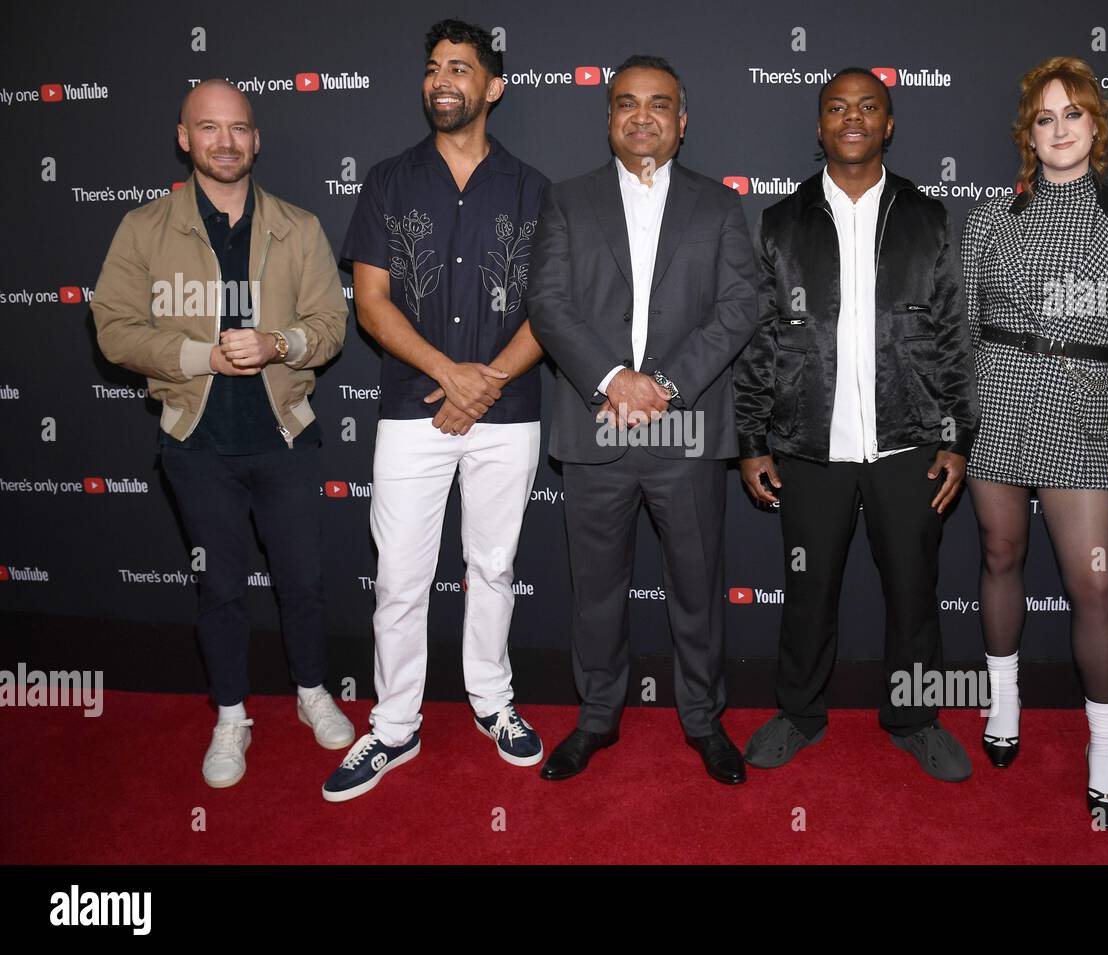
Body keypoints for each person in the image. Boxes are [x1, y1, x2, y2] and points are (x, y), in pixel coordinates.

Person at [92, 78, 354, 789]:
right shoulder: (145, 227)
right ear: (184, 138)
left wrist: (278, 343)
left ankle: (311, 693)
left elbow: (331, 325)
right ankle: (232, 715)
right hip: (196, 446)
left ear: (256, 138)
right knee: (222, 590)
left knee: (303, 583)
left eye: (238, 128)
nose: (225, 141)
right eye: (208, 128)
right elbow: (114, 328)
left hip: (285, 439)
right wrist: (198, 357)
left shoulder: (296, 227)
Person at [323, 19, 550, 802]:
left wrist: (482, 385)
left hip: (509, 409)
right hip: (410, 408)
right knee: (400, 577)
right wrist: (450, 376)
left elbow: (549, 310)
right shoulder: (387, 180)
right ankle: (393, 725)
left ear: (494, 87)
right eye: (432, 68)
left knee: (493, 567)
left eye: (460, 67)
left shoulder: (533, 188)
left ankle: (492, 701)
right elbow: (373, 305)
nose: (442, 79)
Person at [734, 67, 978, 783]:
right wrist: (752, 440)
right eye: (836, 107)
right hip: (810, 445)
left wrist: (956, 434)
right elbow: (760, 340)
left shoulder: (927, 218)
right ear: (819, 127)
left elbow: (952, 337)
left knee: (914, 589)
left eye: (868, 106)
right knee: (807, 589)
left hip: (909, 442)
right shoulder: (781, 222)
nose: (852, 117)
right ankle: (800, 712)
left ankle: (916, 717)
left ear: (889, 123)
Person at [527, 55, 759, 785]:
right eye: (627, 103)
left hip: (682, 427)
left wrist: (662, 385)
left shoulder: (718, 206)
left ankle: (703, 719)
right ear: (609, 120)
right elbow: (549, 304)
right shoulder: (567, 200)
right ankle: (596, 716)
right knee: (595, 589)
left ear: (682, 122)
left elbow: (740, 307)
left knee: (697, 585)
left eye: (659, 104)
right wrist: (614, 382)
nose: (642, 116)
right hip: (596, 422)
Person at [961, 56, 1108, 829]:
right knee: (998, 556)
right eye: (1044, 118)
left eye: (1073, 114)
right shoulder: (989, 220)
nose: (1059, 129)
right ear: (1029, 133)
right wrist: (953, 426)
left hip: (1084, 417)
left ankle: (1105, 747)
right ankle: (1004, 700)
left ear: (1096, 125)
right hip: (996, 406)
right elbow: (959, 334)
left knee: (1093, 586)